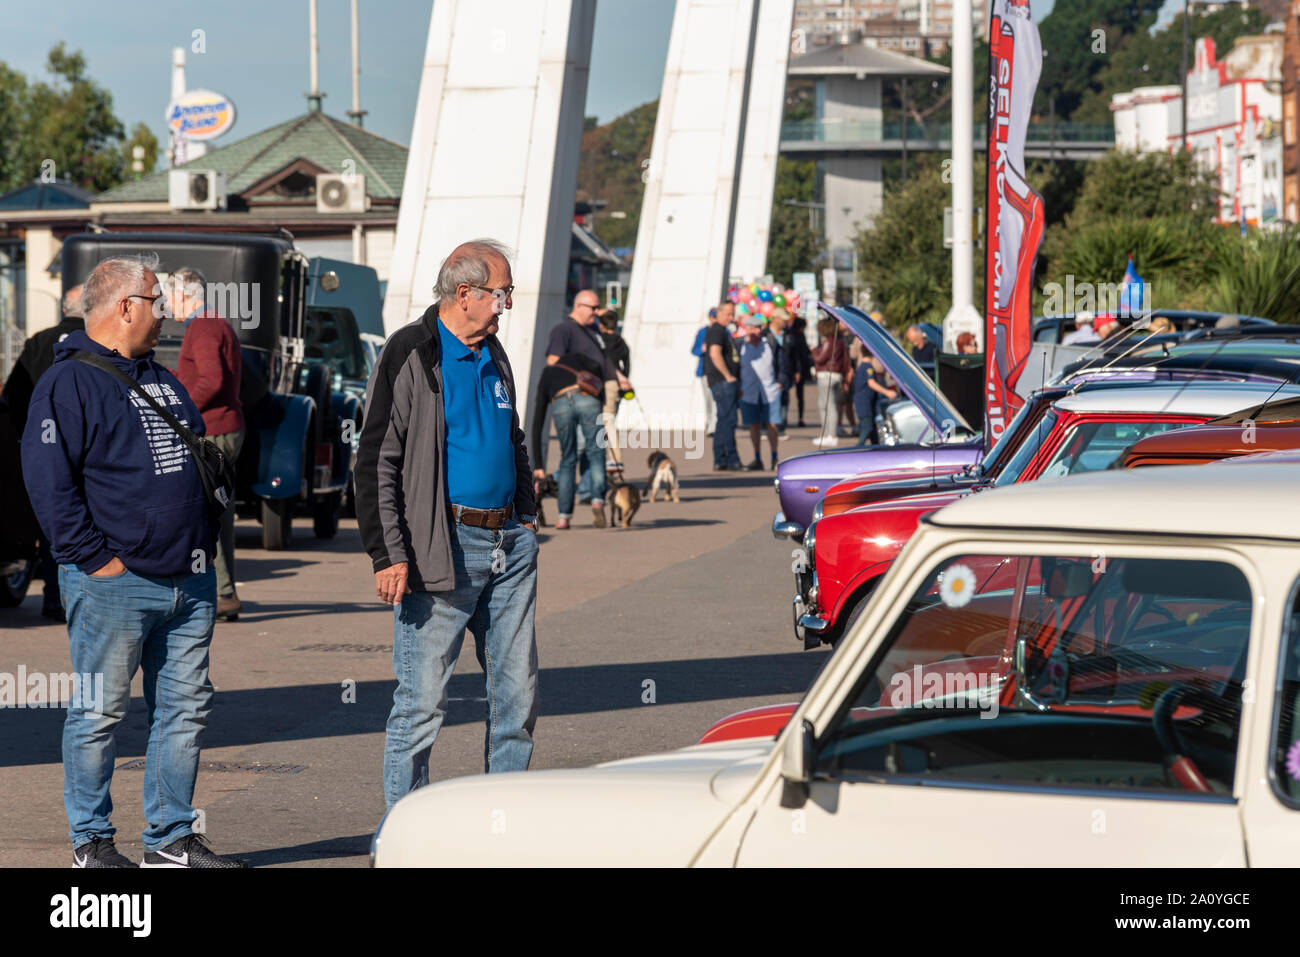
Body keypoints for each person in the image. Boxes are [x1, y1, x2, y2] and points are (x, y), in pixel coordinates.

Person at [21, 255, 243, 868]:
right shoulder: (67, 383)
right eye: (155, 300)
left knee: (186, 709)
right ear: (125, 306)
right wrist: (93, 561)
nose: (164, 311)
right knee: (99, 713)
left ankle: (171, 838)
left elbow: (197, 453)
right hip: (116, 583)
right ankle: (91, 843)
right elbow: (47, 481)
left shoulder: (161, 378)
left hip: (188, 580)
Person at [355, 239, 539, 810]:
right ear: (466, 293)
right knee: (422, 703)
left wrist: (527, 514)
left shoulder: (495, 352)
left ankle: (501, 827)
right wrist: (388, 555)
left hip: (511, 543)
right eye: (501, 292)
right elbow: (375, 459)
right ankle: (404, 831)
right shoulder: (411, 352)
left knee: (517, 696)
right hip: (444, 547)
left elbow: (514, 440)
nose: (506, 303)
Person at [1, 284, 85, 620]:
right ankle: (81, 597)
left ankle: (56, 597)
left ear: (64, 308)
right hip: (91, 450)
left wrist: (28, 439)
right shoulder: (101, 341)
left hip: (46, 449)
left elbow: (14, 397)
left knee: (55, 521)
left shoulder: (39, 341)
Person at [169, 267, 245, 622]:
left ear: (185, 295)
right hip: (225, 427)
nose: (165, 305)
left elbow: (211, 380)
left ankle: (223, 592)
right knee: (220, 513)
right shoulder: (214, 323)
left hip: (212, 431)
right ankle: (226, 592)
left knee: (205, 514)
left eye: (169, 296)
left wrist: (181, 411)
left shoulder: (202, 326)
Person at [545, 290, 626, 523]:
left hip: (588, 397)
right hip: (575, 397)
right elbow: (553, 361)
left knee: (579, 453)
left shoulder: (593, 331)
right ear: (579, 306)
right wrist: (582, 374)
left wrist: (619, 376)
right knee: (588, 451)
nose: (597, 312)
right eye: (593, 308)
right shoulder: (563, 330)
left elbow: (604, 360)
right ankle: (588, 501)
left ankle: (570, 512)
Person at [528, 351, 607, 529]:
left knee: (567, 460)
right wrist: (600, 398)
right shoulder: (578, 357)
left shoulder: (547, 373)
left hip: (561, 402)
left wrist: (539, 465)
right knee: (596, 452)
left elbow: (538, 420)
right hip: (587, 398)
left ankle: (563, 517)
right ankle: (597, 502)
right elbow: (597, 366)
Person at [738, 315, 786, 470]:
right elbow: (735, 367)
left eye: (760, 327)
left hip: (770, 390)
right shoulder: (740, 345)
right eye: (755, 327)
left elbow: (782, 363)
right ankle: (757, 458)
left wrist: (781, 382)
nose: (759, 331)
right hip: (749, 392)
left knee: (772, 424)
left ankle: (774, 457)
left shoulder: (770, 343)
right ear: (748, 329)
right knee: (754, 425)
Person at [704, 301, 744, 470]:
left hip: (723, 382)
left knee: (723, 420)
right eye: (728, 314)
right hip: (722, 382)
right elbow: (714, 354)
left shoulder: (722, 331)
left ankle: (721, 459)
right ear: (718, 313)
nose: (731, 317)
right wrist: (728, 375)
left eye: (732, 314)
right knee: (729, 420)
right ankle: (731, 458)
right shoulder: (717, 331)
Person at [597, 306, 630, 469]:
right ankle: (614, 457)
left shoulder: (598, 340)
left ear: (601, 325)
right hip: (614, 384)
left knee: (603, 421)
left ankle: (615, 460)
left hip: (598, 382)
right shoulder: (621, 342)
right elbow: (627, 365)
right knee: (610, 419)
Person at [811, 317, 850, 447]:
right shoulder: (840, 342)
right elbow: (845, 361)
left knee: (827, 406)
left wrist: (813, 350)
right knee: (829, 405)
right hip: (837, 375)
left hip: (826, 375)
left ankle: (830, 434)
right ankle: (828, 434)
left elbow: (820, 358)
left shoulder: (828, 342)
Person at [851, 342, 898, 447]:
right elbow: (871, 383)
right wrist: (887, 392)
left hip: (865, 403)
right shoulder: (868, 367)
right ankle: (857, 450)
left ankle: (877, 449)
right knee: (867, 428)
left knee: (873, 431)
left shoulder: (862, 366)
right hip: (865, 403)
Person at [768, 309, 795, 439]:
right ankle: (766, 427)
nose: (786, 322)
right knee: (769, 401)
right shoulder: (765, 334)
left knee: (784, 401)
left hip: (785, 372)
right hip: (769, 372)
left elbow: (794, 355)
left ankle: (781, 428)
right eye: (784, 320)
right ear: (776, 318)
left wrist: (797, 370)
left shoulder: (788, 335)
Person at [691, 314, 717, 436]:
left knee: (715, 399)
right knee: (708, 399)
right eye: (714, 317)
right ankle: (709, 422)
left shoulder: (724, 331)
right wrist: (702, 349)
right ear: (710, 318)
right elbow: (694, 350)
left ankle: (714, 426)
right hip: (705, 371)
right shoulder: (703, 332)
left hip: (718, 372)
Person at [786, 315, 813, 427]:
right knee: (796, 395)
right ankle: (793, 418)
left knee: (798, 396)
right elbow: (799, 354)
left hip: (796, 369)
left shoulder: (793, 335)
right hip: (795, 369)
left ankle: (797, 418)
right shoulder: (794, 336)